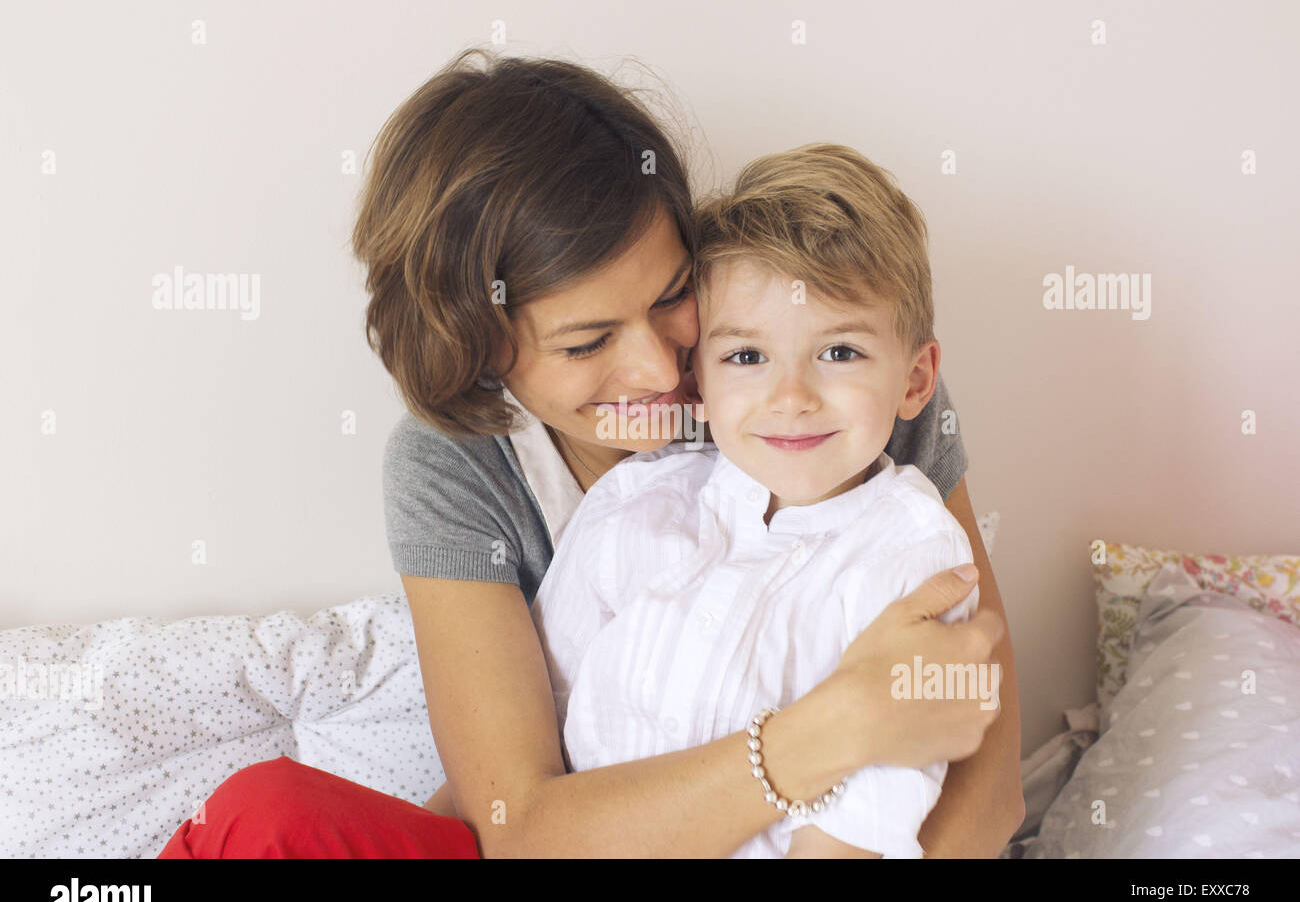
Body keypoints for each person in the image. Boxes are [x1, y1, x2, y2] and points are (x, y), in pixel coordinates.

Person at [158, 48, 1021, 859]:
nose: (657, 368)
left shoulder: (831, 388)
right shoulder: (457, 463)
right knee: (259, 817)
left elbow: (989, 791)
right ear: (483, 354)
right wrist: (830, 730)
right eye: (586, 341)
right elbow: (518, 823)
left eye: (674, 295)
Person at [534, 143, 987, 858]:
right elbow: (541, 728)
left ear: (915, 379)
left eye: (839, 352)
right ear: (698, 381)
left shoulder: (912, 552)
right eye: (747, 357)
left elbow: (865, 819)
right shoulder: (635, 506)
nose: (791, 397)